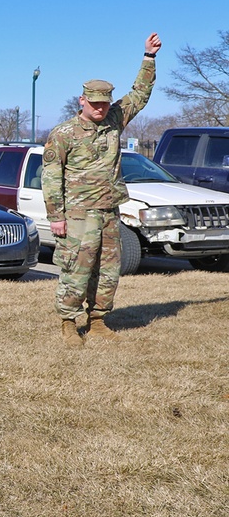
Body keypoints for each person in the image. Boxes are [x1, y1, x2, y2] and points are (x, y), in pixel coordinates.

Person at [43, 33, 162, 347]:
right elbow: (51, 176)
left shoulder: (114, 120)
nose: (99, 108)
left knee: (108, 270)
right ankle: (68, 323)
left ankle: (97, 320)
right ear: (81, 100)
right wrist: (56, 215)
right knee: (76, 269)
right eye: (94, 103)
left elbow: (139, 93)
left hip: (109, 211)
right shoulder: (64, 133)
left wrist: (148, 58)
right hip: (78, 215)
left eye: (104, 103)